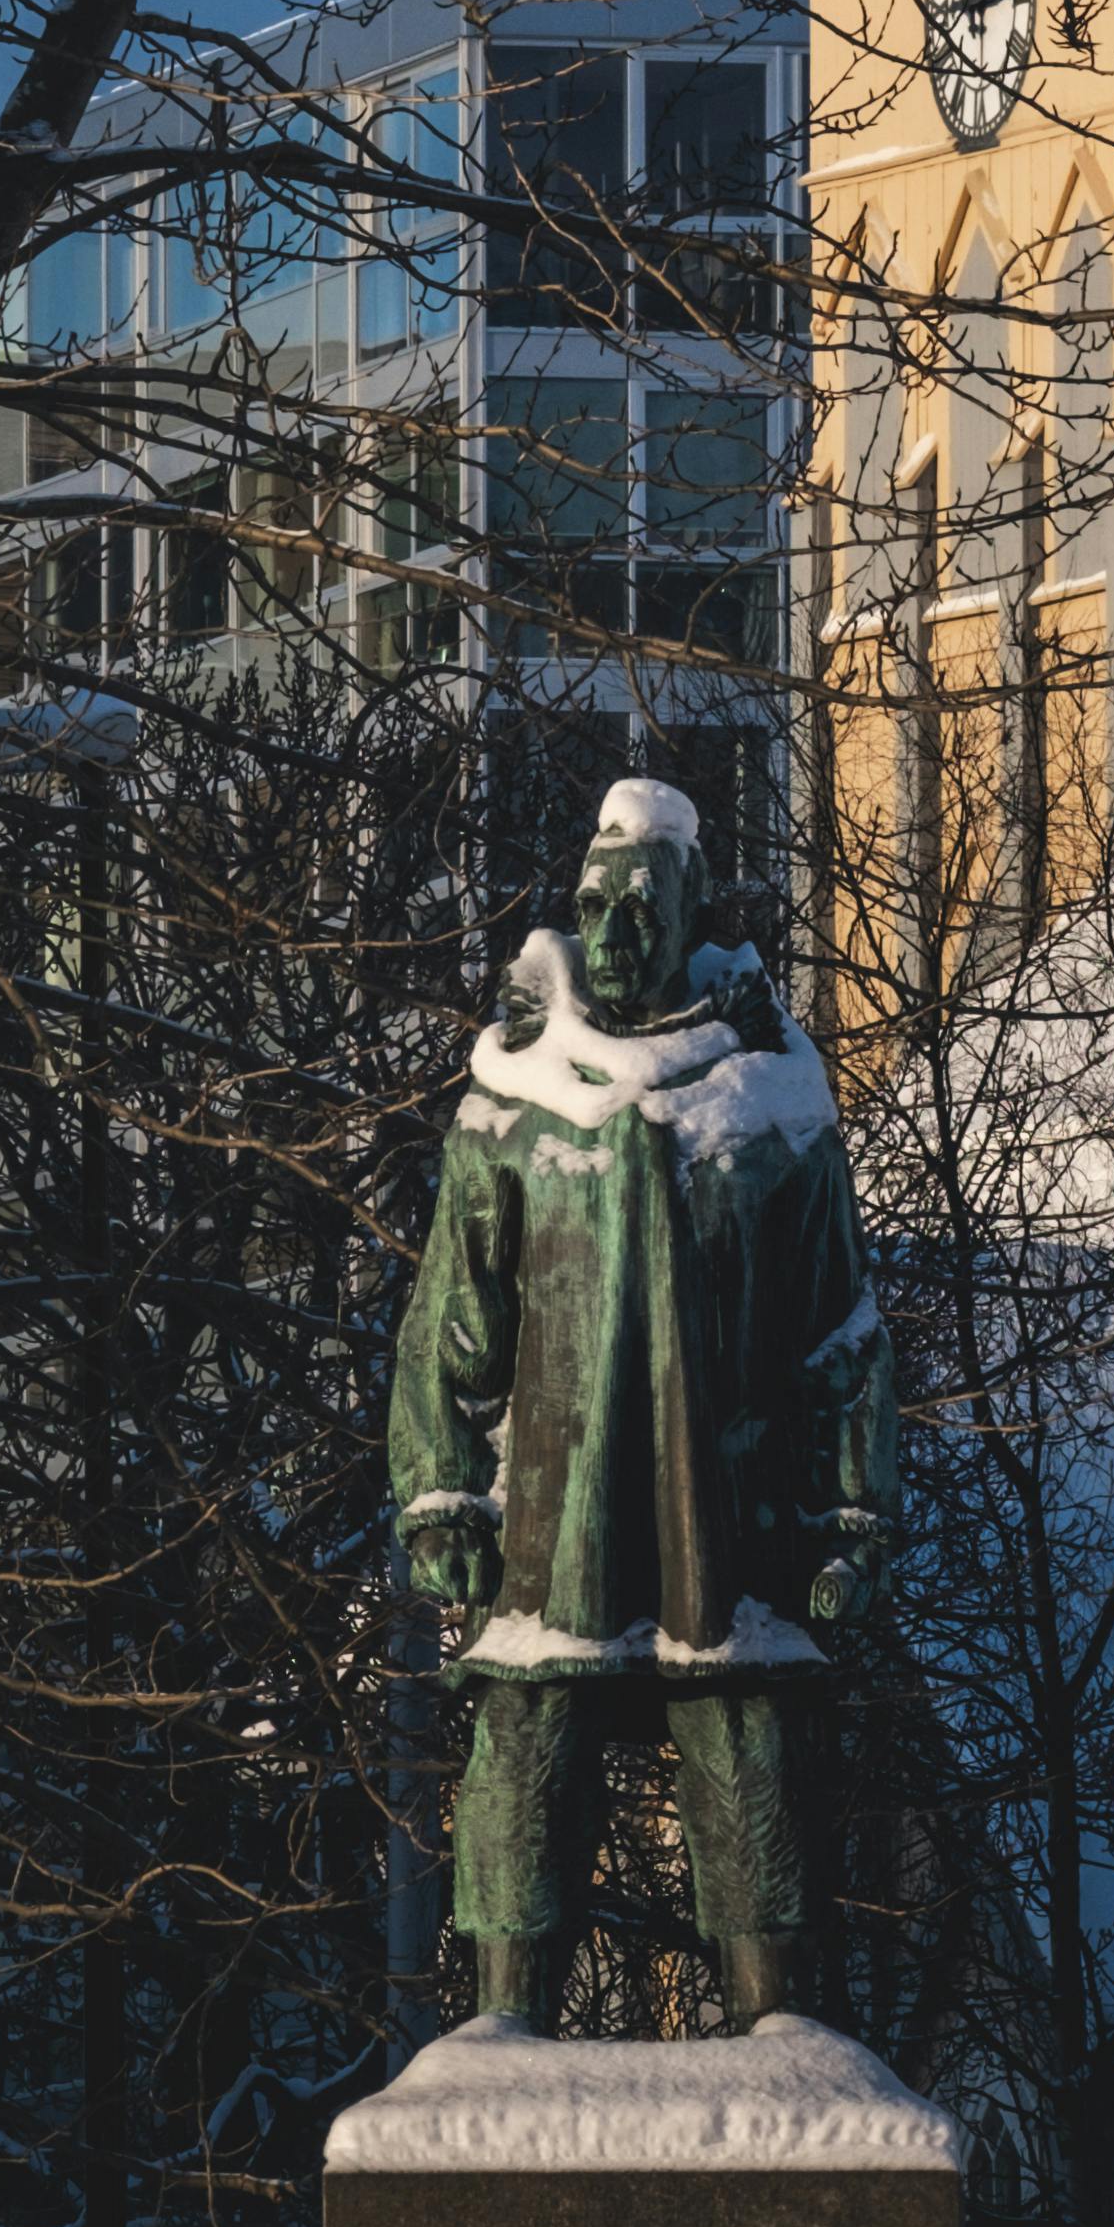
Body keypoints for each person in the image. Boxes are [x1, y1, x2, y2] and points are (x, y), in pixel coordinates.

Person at [388, 771, 897, 2026]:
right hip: (552, 1516)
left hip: (729, 1513)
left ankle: (777, 2038)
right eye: (594, 907)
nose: (614, 934)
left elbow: (837, 1329)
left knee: (750, 1760)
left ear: (688, 914)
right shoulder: (512, 1107)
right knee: (523, 1754)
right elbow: (451, 1316)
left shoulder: (769, 1106)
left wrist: (849, 1516)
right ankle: (501, 2031)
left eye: (640, 909)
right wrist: (440, 1491)